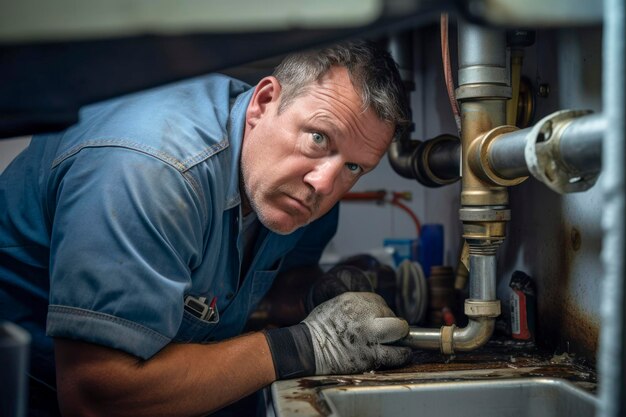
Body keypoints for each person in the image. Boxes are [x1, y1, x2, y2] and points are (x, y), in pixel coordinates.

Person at [0, 39, 412, 416]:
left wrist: (315, 296)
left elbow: (280, 282)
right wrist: (305, 346)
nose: (324, 184)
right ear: (264, 103)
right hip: (26, 386)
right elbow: (96, 395)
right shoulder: (153, 173)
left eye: (355, 166)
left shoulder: (299, 190)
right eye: (319, 139)